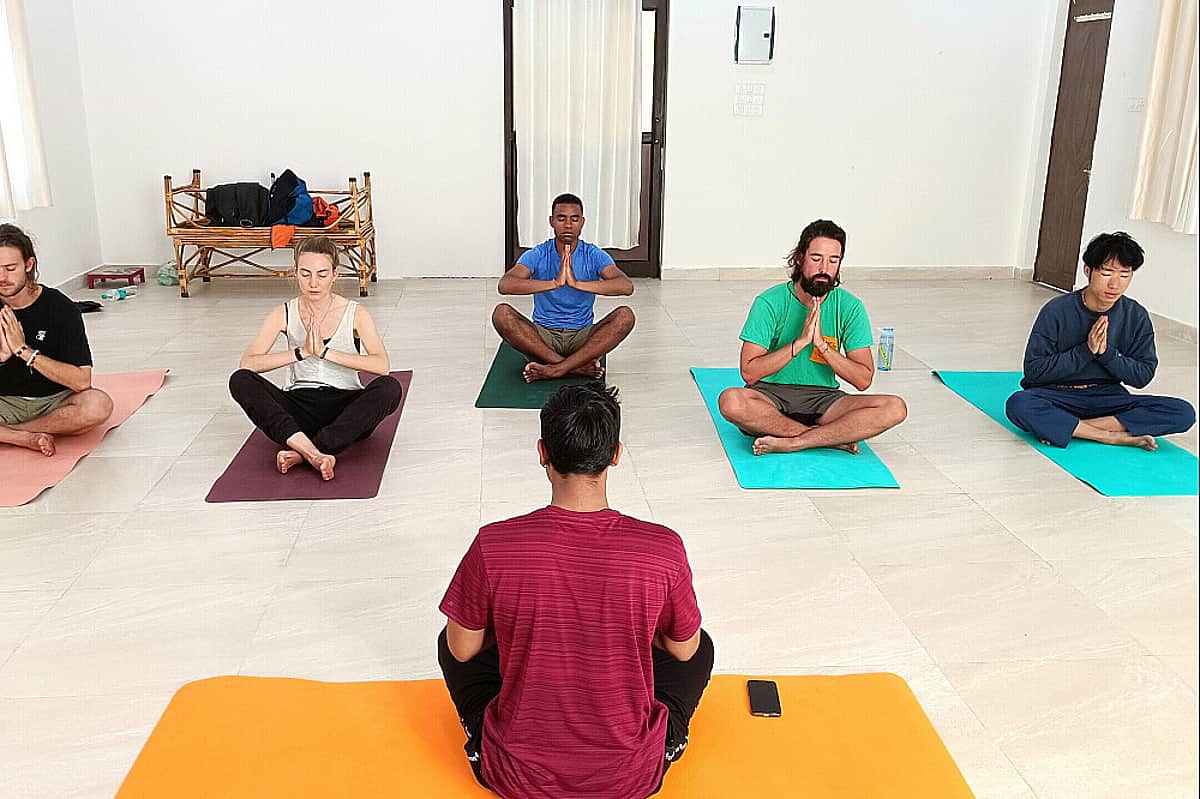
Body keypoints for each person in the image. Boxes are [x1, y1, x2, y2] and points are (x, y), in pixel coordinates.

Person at [438, 383, 714, 799]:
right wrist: (638, 630)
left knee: (453, 637)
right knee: (699, 645)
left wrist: (514, 625)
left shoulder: (493, 544)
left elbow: (462, 650)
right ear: (616, 454)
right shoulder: (662, 548)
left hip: (515, 776)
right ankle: (658, 743)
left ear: (542, 453)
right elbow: (683, 649)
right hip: (630, 778)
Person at [717, 219, 906, 455]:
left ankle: (796, 441)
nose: (824, 268)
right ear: (799, 258)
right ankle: (829, 439)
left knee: (895, 408)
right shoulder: (769, 302)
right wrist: (800, 342)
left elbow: (863, 379)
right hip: (769, 396)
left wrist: (822, 345)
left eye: (833, 260)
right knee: (731, 401)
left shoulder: (850, 307)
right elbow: (749, 372)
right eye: (816, 258)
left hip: (825, 400)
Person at [228, 236, 401, 480]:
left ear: (335, 275)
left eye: (322, 274)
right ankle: (314, 453)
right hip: (298, 408)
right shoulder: (283, 313)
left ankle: (302, 453)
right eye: (305, 274)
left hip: (345, 409)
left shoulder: (355, 313)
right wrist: (303, 352)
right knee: (240, 380)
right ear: (295, 273)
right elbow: (248, 364)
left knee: (390, 388)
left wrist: (325, 352)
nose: (313, 283)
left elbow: (382, 366)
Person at [1006, 231, 1195, 449]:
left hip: (1107, 398)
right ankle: (1109, 435)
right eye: (1106, 273)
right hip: (1058, 395)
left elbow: (1142, 376)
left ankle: (1072, 428)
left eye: (1124, 275)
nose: (1114, 284)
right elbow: (1034, 371)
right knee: (1019, 404)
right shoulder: (1056, 310)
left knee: (1183, 412)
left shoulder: (1135, 315)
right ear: (1088, 270)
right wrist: (1086, 350)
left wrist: (1107, 354)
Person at [492, 193, 636, 382]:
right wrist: (555, 283)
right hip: (542, 339)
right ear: (551, 221)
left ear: (582, 222)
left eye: (574, 219)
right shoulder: (538, 253)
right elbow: (505, 284)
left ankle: (555, 369)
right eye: (561, 218)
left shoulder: (593, 254)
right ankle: (574, 368)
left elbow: (626, 286)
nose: (568, 225)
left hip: (582, 338)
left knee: (625, 316)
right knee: (501, 314)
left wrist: (577, 284)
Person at [0, 224, 112, 457]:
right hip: (5, 403)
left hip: (54, 402)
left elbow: (82, 381)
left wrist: (23, 350)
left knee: (98, 405)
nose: (2, 278)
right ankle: (25, 438)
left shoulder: (60, 307)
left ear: (29, 265)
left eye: (10, 268)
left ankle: (15, 433)